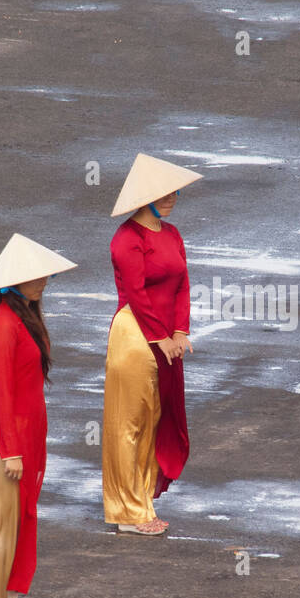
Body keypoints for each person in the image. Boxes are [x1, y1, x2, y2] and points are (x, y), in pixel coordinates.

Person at [0, 234, 76, 598]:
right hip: (8, 441)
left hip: (28, 434)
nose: (45, 281)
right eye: (37, 276)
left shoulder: (25, 316)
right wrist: (13, 449)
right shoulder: (3, 324)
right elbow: (3, 393)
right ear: (14, 281)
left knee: (19, 525)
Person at [102, 153, 202, 535]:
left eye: (173, 191)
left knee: (155, 421)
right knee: (130, 423)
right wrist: (161, 337)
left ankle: (142, 502)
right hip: (134, 336)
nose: (171, 197)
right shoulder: (126, 239)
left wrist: (179, 332)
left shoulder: (172, 234)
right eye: (162, 193)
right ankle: (127, 511)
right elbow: (137, 293)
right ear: (143, 197)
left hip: (165, 340)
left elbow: (183, 285)